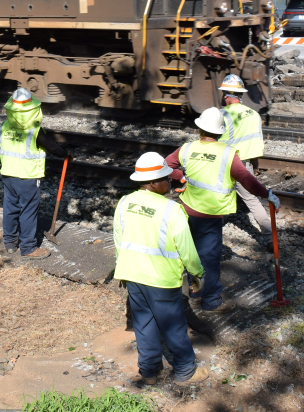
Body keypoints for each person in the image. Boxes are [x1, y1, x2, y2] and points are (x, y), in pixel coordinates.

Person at [163, 108, 280, 312]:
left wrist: (179, 176)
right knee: (209, 257)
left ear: (199, 129)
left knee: (192, 254)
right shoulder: (227, 153)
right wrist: (266, 193)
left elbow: (164, 165)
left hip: (188, 210)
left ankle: (195, 292)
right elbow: (247, 179)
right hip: (211, 215)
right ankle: (211, 301)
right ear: (220, 132)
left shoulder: (187, 149)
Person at [114, 153, 209, 386]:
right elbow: (186, 249)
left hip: (132, 275)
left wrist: (124, 268)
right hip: (162, 280)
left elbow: (118, 239)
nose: (170, 182)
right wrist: (197, 274)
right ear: (153, 183)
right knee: (174, 326)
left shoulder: (125, 202)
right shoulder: (172, 210)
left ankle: (149, 373)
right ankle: (185, 371)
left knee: (144, 325)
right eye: (166, 179)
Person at [0, 88, 67, 259]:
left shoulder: (3, 126)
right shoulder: (35, 131)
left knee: (10, 208)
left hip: (8, 174)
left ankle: (10, 243)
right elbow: (52, 147)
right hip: (27, 177)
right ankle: (28, 248)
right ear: (32, 109)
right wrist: (66, 155)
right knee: (28, 211)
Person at [217, 74, 270, 236]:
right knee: (252, 201)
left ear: (225, 95)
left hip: (225, 164)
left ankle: (208, 234)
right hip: (245, 164)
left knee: (215, 198)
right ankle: (270, 238)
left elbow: (214, 143)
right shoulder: (254, 114)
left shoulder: (222, 114)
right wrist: (254, 162)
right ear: (240, 94)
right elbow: (256, 141)